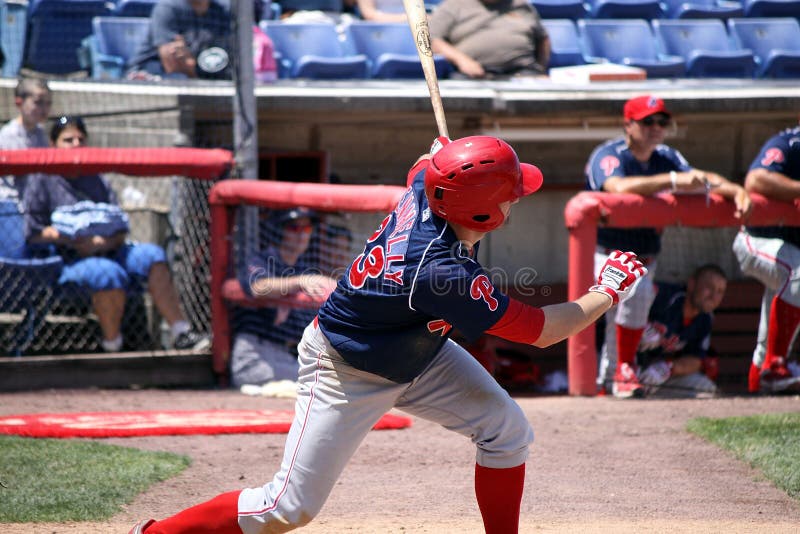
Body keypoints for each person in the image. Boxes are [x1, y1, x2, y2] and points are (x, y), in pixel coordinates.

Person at [129, 135, 647, 534]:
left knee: (505, 431)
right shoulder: (442, 271)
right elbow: (540, 331)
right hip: (346, 368)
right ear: (481, 209)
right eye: (510, 195)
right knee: (286, 507)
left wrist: (442, 157)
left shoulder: (431, 189)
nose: (517, 201)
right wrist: (606, 290)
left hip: (415, 349)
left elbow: (423, 168)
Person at [585, 95, 752, 398]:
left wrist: (733, 189)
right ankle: (619, 371)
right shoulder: (610, 153)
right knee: (633, 293)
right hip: (604, 255)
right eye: (648, 121)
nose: (656, 127)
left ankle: (616, 378)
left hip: (646, 256)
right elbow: (616, 187)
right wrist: (673, 181)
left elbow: (700, 178)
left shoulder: (666, 156)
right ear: (628, 124)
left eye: (662, 122)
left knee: (632, 302)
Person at [22, 115, 210, 353]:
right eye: (68, 140)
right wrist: (74, 240)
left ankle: (181, 332)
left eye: (81, 139)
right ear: (53, 144)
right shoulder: (42, 178)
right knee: (107, 273)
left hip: (111, 248)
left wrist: (105, 241)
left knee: (152, 255)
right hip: (66, 258)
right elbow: (33, 234)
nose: (76, 145)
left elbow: (120, 226)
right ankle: (113, 347)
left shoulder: (96, 175)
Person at [230, 208, 338, 390]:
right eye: (294, 228)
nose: (302, 235)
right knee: (323, 384)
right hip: (253, 357)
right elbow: (258, 287)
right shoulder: (262, 259)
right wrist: (300, 282)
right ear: (279, 231)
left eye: (307, 229)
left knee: (329, 379)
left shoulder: (303, 267)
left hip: (285, 355)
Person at [732, 120, 800, 394]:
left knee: (767, 336)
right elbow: (756, 179)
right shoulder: (790, 142)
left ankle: (757, 388)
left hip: (790, 251)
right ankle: (774, 367)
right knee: (799, 274)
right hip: (757, 238)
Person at [636, 264, 727, 398]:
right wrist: (639, 328)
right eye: (709, 288)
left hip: (656, 377)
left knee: (706, 389)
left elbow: (696, 360)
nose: (714, 296)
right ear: (691, 284)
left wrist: (668, 368)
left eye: (720, 291)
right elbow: (625, 305)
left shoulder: (706, 319)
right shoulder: (665, 296)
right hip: (628, 366)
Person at [428, 0, 550, 80]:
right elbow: (431, 39)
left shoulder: (521, 6)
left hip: (523, 73)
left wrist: (541, 70)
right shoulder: (454, 5)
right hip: (472, 76)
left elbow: (542, 39)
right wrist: (461, 60)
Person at [127, 0, 232, 80]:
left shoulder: (224, 11)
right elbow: (171, 64)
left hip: (205, 79)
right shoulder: (168, 8)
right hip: (154, 77)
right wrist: (191, 69)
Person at [0, 77, 52, 198]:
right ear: (19, 102)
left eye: (48, 103)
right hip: (10, 200)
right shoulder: (8, 135)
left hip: (36, 200)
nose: (44, 109)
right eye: (38, 102)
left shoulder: (41, 133)